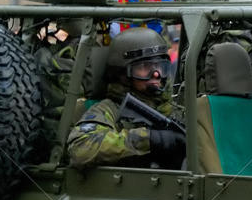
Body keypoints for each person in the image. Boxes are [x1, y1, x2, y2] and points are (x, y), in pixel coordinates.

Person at [66, 27, 185, 170]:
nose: (156, 74)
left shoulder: (174, 109)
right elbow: (80, 148)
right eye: (144, 67)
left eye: (159, 66)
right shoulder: (109, 109)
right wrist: (149, 139)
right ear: (123, 73)